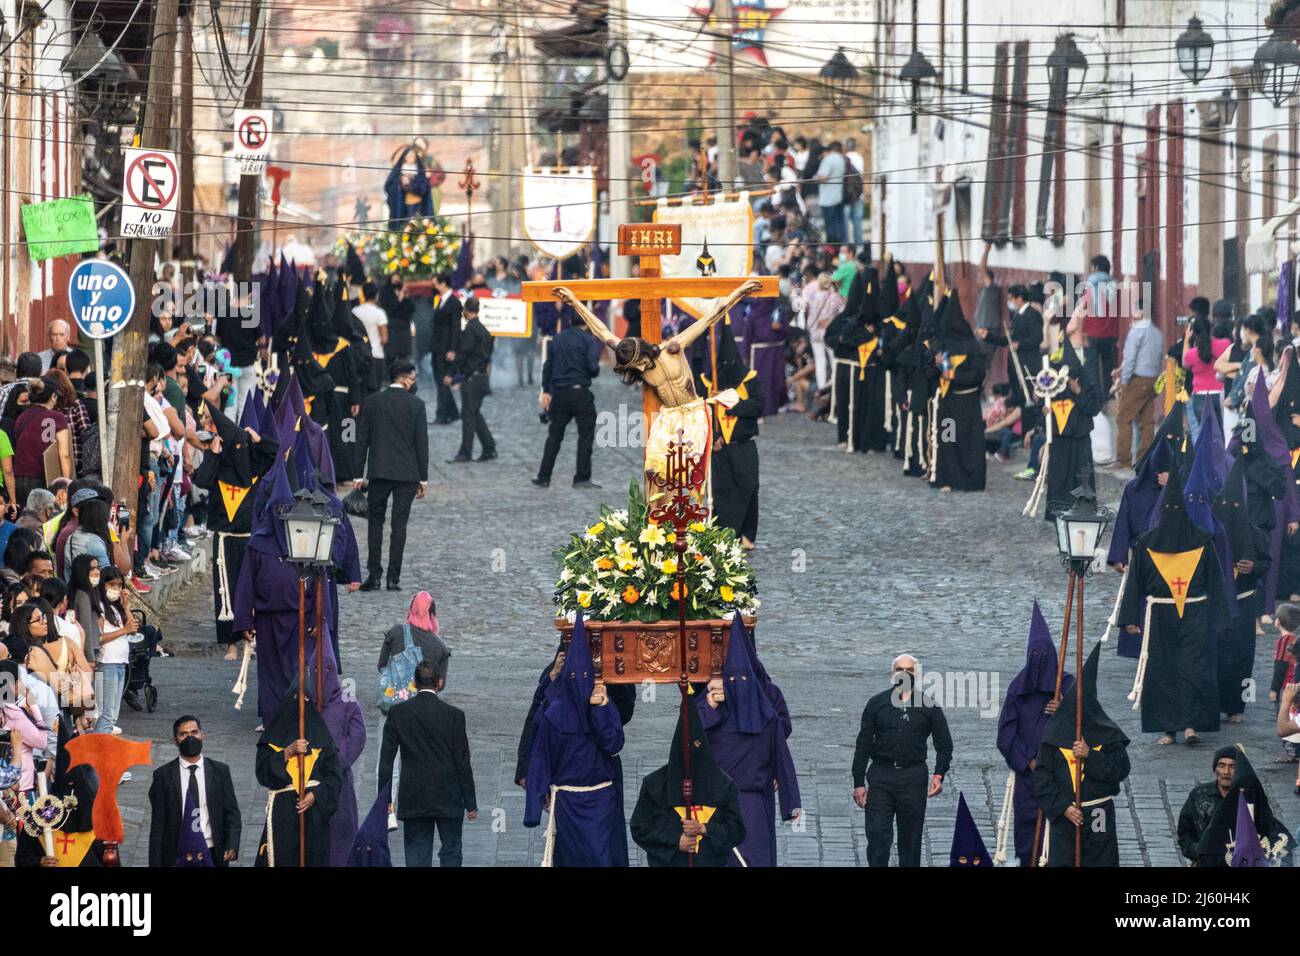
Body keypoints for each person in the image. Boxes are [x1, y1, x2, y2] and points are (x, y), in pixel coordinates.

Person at [1119, 463, 1229, 745]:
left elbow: (1215, 581)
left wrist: (1219, 618)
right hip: (1161, 614)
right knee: (1163, 670)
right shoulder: (1146, 545)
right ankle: (1168, 728)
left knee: (1194, 668)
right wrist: (1130, 617)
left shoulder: (1202, 543)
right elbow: (1135, 582)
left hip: (1195, 612)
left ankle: (1192, 725)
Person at [523, 616, 628, 866]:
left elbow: (613, 744)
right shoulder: (552, 714)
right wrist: (533, 807)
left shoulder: (601, 704)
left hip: (599, 801)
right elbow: (540, 758)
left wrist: (601, 709)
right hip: (570, 802)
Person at [697, 617, 800, 867]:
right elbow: (690, 737)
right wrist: (709, 706)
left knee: (753, 857)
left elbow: (781, 748)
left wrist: (790, 800)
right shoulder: (711, 699)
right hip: (716, 800)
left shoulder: (767, 705)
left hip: (754, 799)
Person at [191, 396, 278, 657]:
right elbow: (202, 480)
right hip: (224, 539)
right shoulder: (218, 464)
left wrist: (258, 439)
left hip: (250, 538)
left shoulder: (253, 466)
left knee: (252, 588)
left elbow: (274, 453)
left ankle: (252, 638)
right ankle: (231, 642)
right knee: (225, 590)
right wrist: (213, 453)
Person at [1032, 643, 1131, 866]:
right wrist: (1063, 807)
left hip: (1099, 813)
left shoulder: (1107, 735)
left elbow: (1120, 769)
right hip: (1065, 816)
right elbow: (1042, 779)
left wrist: (1090, 755)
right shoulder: (1054, 737)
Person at [851, 653, 953, 867]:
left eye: (910, 670)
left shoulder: (929, 706)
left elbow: (944, 744)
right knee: (878, 836)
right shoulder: (876, 703)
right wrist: (859, 782)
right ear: (892, 673)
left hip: (913, 778)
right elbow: (863, 744)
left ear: (917, 675)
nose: (905, 674)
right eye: (900, 670)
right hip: (881, 776)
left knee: (911, 842)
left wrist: (939, 774)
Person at [378, 660, 477, 866]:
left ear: (414, 683)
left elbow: (386, 760)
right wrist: (470, 802)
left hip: (414, 794)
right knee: (451, 851)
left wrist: (385, 799)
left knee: (417, 854)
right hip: (448, 794)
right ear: (439, 682)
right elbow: (462, 762)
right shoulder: (455, 716)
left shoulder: (398, 713)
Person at [995, 601, 1070, 867]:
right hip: (1029, 777)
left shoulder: (1067, 685)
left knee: (1061, 832)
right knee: (1028, 835)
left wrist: (1064, 708)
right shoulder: (1018, 688)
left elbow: (1086, 724)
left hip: (1062, 775)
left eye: (1045, 655)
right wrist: (1029, 760)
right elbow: (1005, 734)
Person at [630, 698, 746, 867]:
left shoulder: (723, 785)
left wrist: (705, 829)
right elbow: (640, 829)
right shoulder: (655, 785)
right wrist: (675, 841)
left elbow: (737, 831)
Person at [356, 360, 428, 591]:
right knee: (400, 525)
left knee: (375, 522)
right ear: (405, 378)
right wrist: (423, 478)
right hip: (407, 474)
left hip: (379, 471)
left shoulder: (372, 402)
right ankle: (393, 578)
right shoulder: (416, 405)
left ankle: (374, 575)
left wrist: (359, 474)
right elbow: (421, 444)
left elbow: (362, 440)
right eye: (413, 379)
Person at [254, 686, 342, 867]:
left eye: (307, 699)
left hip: (314, 814)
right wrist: (287, 752)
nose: (301, 704)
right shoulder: (272, 739)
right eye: (296, 697)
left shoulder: (323, 740)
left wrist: (315, 795)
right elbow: (263, 773)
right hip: (283, 812)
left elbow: (333, 778)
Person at [1214, 457, 1271, 723]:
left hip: (1245, 601)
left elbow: (1266, 563)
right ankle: (1213, 702)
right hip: (1217, 604)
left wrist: (1253, 567)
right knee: (1215, 653)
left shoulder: (1254, 533)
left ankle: (1236, 707)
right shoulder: (1210, 534)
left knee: (1241, 655)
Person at [147, 715, 241, 866]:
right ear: (175, 740)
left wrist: (232, 844)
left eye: (194, 732)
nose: (190, 738)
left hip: (212, 851)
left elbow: (232, 812)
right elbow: (158, 825)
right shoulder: (163, 775)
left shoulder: (220, 771)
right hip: (178, 853)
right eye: (183, 734)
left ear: (202, 735)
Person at [1192, 743, 1291, 866]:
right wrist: (1200, 851)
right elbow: (1186, 832)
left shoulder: (1251, 795)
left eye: (1232, 766)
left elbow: (1265, 828)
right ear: (1214, 769)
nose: (1226, 772)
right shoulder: (1200, 795)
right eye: (1221, 766)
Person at [534, 312, 601, 489]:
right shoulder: (588, 341)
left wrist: (546, 390)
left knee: (554, 437)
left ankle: (544, 476)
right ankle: (581, 478)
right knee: (585, 437)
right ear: (586, 324)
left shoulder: (558, 339)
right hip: (580, 394)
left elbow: (547, 367)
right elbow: (594, 369)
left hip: (560, 395)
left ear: (570, 321)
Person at [928, 290, 987, 491]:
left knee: (959, 440)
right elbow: (929, 371)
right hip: (950, 401)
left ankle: (966, 480)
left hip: (966, 402)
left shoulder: (972, 348)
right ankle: (948, 478)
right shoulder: (942, 348)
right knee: (949, 440)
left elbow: (977, 375)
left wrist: (955, 377)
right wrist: (935, 364)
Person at [1113, 297, 1164, 470]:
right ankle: (1144, 458)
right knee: (1146, 420)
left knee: (1123, 418)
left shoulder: (1136, 331)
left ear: (1140, 312)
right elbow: (1158, 359)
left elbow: (1130, 358)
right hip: (1152, 380)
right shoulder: (1157, 333)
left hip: (1136, 379)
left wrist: (1124, 380)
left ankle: (1123, 459)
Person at [445, 297, 496, 463]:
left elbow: (462, 355)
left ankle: (465, 452)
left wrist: (452, 375)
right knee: (475, 413)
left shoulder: (470, 331)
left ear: (466, 310)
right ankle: (489, 447)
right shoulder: (484, 331)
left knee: (468, 415)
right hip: (482, 377)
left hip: (472, 379)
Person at [430, 273, 461, 425]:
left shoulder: (454, 302)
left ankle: (442, 414)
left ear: (443, 284)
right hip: (437, 346)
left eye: (435, 283)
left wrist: (453, 349)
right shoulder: (441, 300)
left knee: (443, 382)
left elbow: (456, 328)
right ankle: (453, 412)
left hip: (446, 348)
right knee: (439, 381)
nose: (434, 287)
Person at [1083, 255, 1117, 390]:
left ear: (1096, 268)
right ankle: (1109, 399)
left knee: (1092, 371)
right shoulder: (1115, 286)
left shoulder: (1089, 286)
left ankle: (1097, 404)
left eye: (1091, 267)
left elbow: (1083, 309)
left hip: (1092, 333)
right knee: (1109, 370)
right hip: (1110, 333)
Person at [352, 281, 389, 391]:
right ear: (376, 295)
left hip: (359, 355)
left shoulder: (354, 311)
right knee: (375, 390)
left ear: (363, 294)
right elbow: (384, 339)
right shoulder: (379, 313)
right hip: (376, 354)